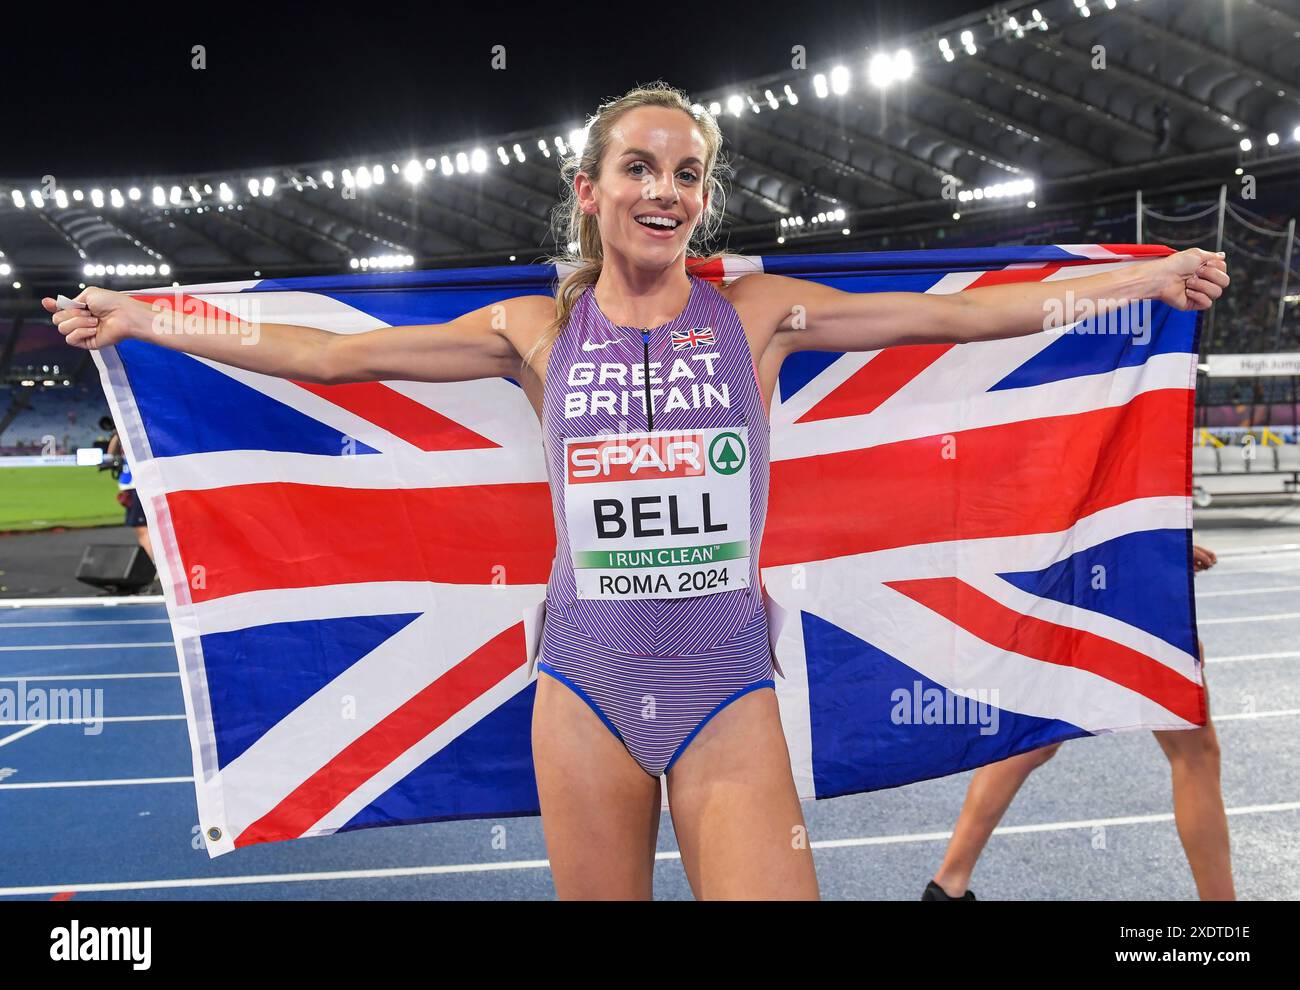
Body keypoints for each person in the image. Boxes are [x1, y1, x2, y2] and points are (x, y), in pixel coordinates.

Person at [44, 81, 1229, 900]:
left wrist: (1145, 283)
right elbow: (325, 356)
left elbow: (961, 315)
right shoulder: (531, 330)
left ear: (703, 199)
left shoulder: (760, 316)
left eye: (687, 174)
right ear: (590, 188)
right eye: (640, 167)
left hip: (724, 687)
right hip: (583, 688)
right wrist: (149, 315)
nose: (664, 188)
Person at [923, 544, 1233, 902]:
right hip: (1122, 569)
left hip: (1061, 564)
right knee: (1195, 754)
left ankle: (948, 885)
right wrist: (1161, 545)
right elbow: (1119, 494)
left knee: (1036, 737)